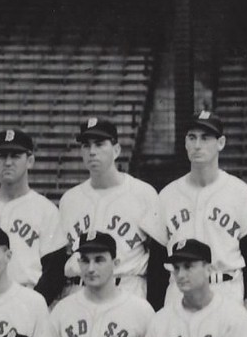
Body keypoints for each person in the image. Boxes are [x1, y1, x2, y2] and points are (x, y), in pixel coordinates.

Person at [158, 109, 247, 313]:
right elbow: (157, 263)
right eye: (192, 137)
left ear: (221, 143)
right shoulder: (167, 195)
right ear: (185, 142)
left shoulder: (240, 192)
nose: (197, 145)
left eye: (205, 138)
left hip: (226, 288)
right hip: (179, 292)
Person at [56, 116, 166, 302]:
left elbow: (159, 258)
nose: (92, 152)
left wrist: (154, 307)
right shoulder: (70, 199)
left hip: (126, 290)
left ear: (116, 150)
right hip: (78, 292)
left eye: (99, 144)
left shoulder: (143, 193)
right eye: (86, 146)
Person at [48, 233, 156, 337]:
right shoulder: (63, 309)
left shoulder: (140, 310)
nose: (91, 268)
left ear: (115, 263)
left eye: (99, 260)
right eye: (85, 260)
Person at [0, 127, 64, 293]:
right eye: (2, 156)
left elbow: (54, 273)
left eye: (15, 156)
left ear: (30, 161)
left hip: (27, 296)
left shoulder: (46, 210)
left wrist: (31, 304)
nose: (8, 162)